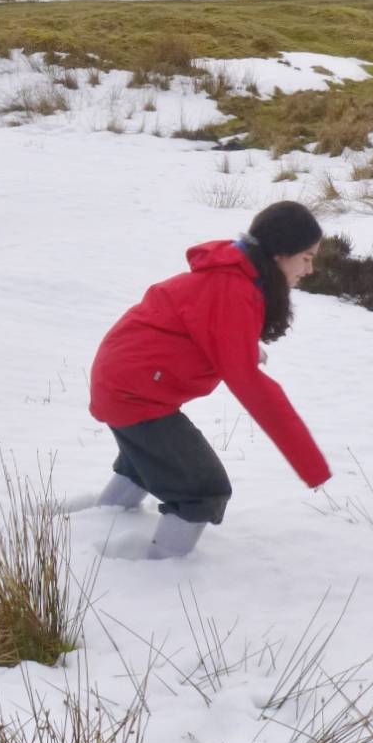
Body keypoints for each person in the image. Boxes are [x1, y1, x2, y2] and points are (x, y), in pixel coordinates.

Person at [88, 200, 332, 559]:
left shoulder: (236, 275)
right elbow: (251, 386)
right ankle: (159, 570)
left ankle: (95, 521)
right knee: (202, 487)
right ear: (280, 254)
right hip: (134, 393)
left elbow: (208, 328)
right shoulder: (234, 290)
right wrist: (310, 463)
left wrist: (244, 347)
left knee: (148, 462)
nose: (310, 268)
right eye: (307, 257)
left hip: (126, 382)